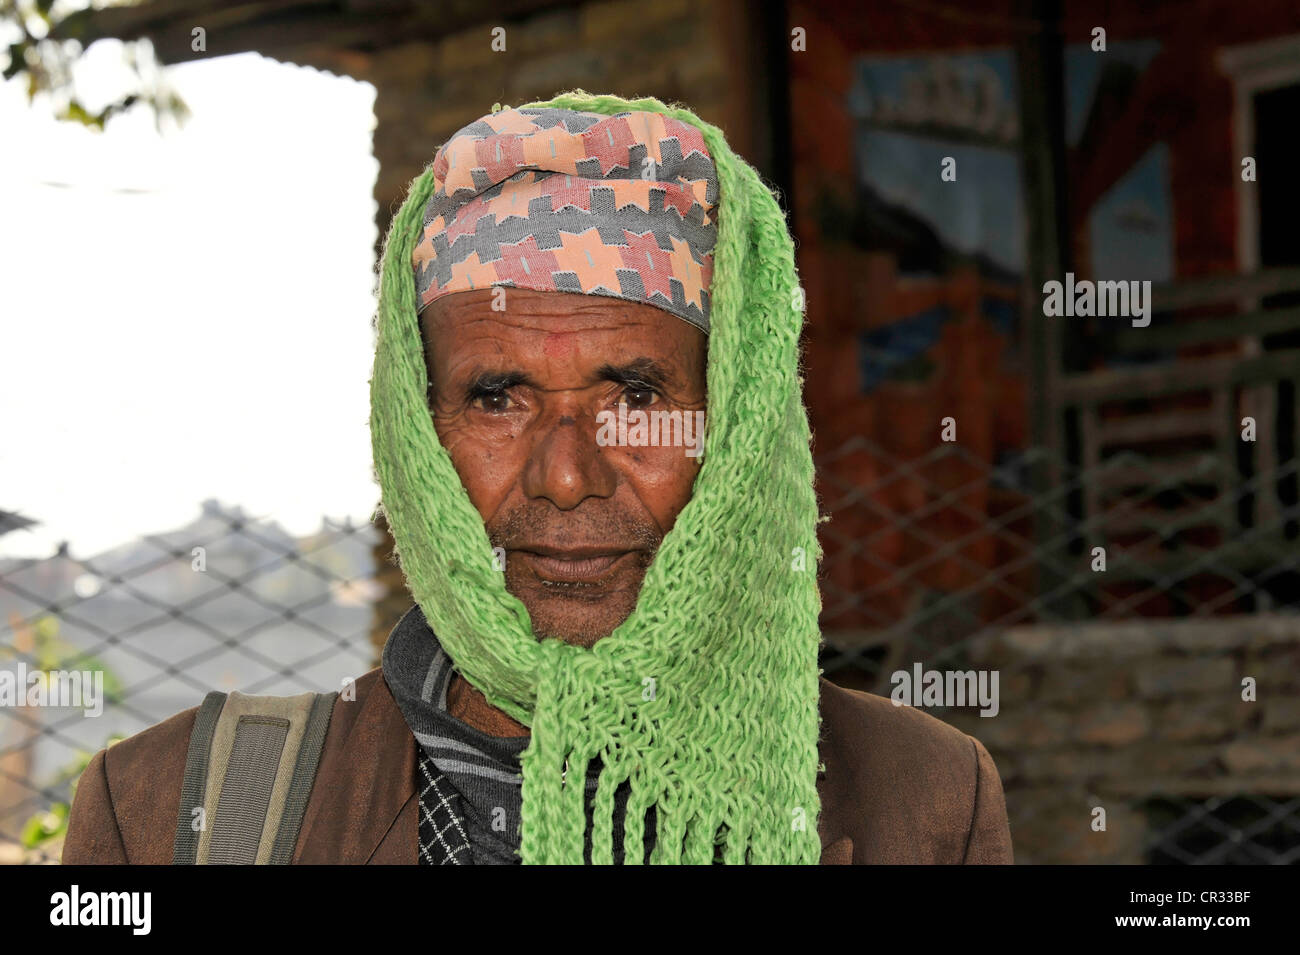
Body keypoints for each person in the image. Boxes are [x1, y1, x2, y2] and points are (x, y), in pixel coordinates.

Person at [63, 91, 1013, 865]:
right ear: (418, 436)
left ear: (733, 429)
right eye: (496, 396)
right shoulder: (171, 816)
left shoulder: (923, 803)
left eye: (635, 395)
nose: (566, 475)